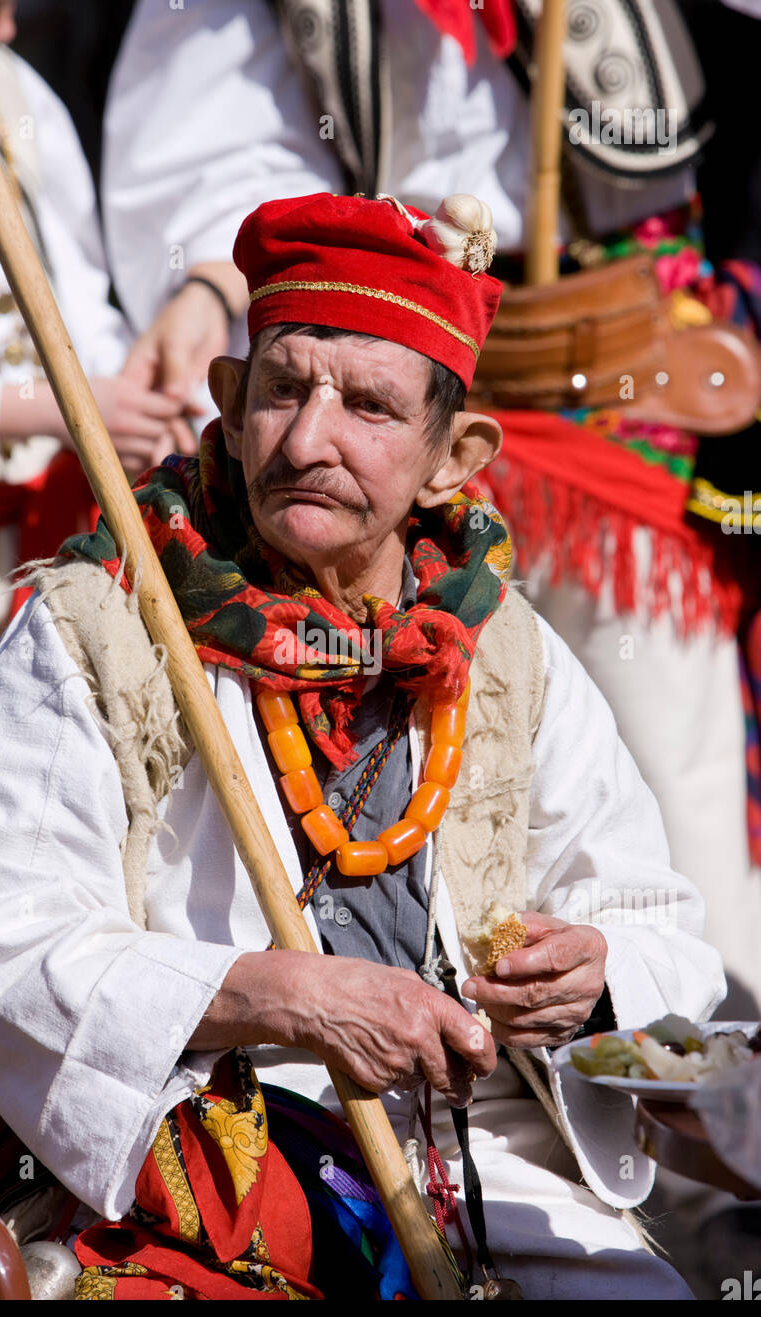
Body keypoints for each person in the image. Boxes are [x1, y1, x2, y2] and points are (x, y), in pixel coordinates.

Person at [0, 189, 724, 1300]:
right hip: (195, 1156)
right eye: (282, 389)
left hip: (476, 1161)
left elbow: (658, 925)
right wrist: (284, 996)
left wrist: (591, 981)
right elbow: (4, 939)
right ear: (226, 398)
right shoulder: (103, 622)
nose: (308, 440)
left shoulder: (504, 652)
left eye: (369, 408)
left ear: (454, 458)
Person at [102, 0, 761, 1014]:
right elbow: (218, 159)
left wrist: (623, 971)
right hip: (377, 366)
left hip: (618, 392)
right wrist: (202, 285)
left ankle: (695, 1104)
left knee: (666, 798)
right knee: (346, 737)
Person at [0, 0, 187, 825]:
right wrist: (46, 406)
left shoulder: (13, 92)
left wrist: (126, 395)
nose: (7, 31)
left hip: (42, 539)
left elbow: (78, 297)